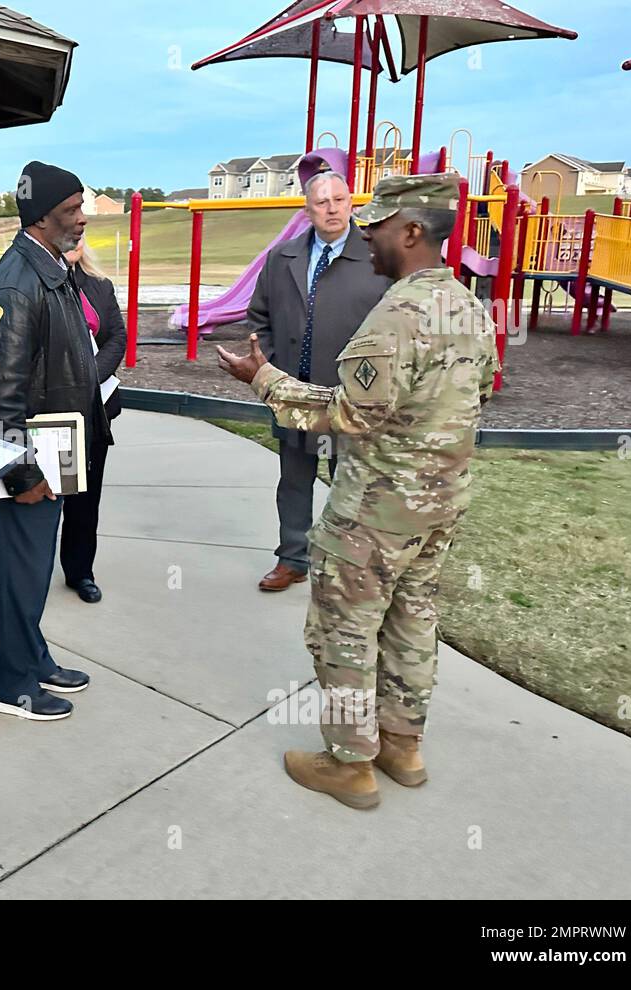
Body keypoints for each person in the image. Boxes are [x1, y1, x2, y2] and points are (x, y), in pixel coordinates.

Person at [217, 173, 499, 811]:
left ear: (412, 232)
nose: (366, 236)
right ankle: (403, 746)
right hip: (439, 506)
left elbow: (352, 414)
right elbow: (475, 397)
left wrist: (263, 379)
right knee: (412, 622)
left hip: (376, 511)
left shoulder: (398, 313)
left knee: (345, 630)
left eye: (378, 227)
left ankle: (350, 764)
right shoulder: (469, 307)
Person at [0, 161, 106, 721]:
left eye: (81, 207)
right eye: (71, 210)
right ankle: (11, 683)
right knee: (25, 572)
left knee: (34, 571)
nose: (82, 219)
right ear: (41, 218)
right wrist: (22, 474)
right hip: (30, 458)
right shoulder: (16, 283)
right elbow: (0, 392)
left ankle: (32, 655)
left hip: (54, 447)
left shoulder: (52, 267)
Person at [249, 170, 390, 593]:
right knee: (293, 480)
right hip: (295, 396)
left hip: (349, 399)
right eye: (322, 202)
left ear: (352, 203)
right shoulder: (282, 258)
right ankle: (292, 558)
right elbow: (260, 318)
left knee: (352, 483)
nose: (332, 209)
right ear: (307, 209)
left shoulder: (375, 258)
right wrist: (274, 371)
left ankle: (349, 564)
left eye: (339, 200)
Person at [59, 236, 126, 603]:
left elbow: (118, 336)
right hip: (54, 410)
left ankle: (80, 571)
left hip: (96, 407)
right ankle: (34, 569)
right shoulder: (37, 283)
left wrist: (89, 377)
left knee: (85, 497)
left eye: (80, 235)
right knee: (55, 490)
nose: (75, 240)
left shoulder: (99, 285)